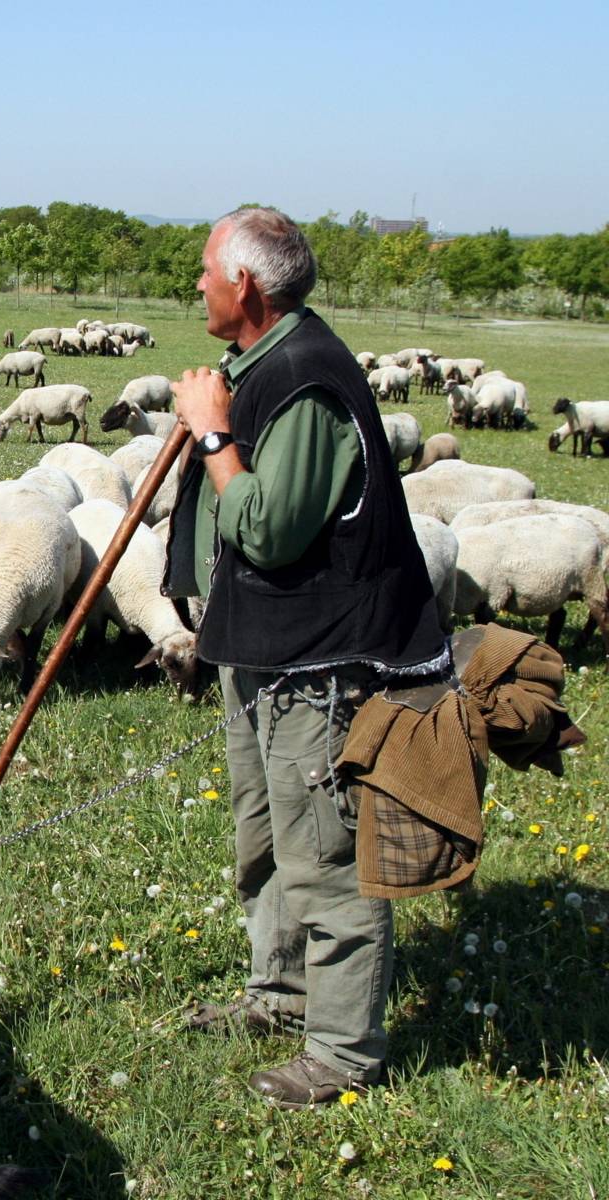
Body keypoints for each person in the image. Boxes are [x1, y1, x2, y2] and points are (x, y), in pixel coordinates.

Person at [164, 207, 448, 1109]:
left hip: (321, 665)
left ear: (245, 284)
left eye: (207, 269)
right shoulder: (261, 367)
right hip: (265, 652)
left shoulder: (305, 379)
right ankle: (279, 994)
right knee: (265, 837)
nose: (198, 283)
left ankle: (340, 1052)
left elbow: (274, 530)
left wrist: (213, 433)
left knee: (323, 853)